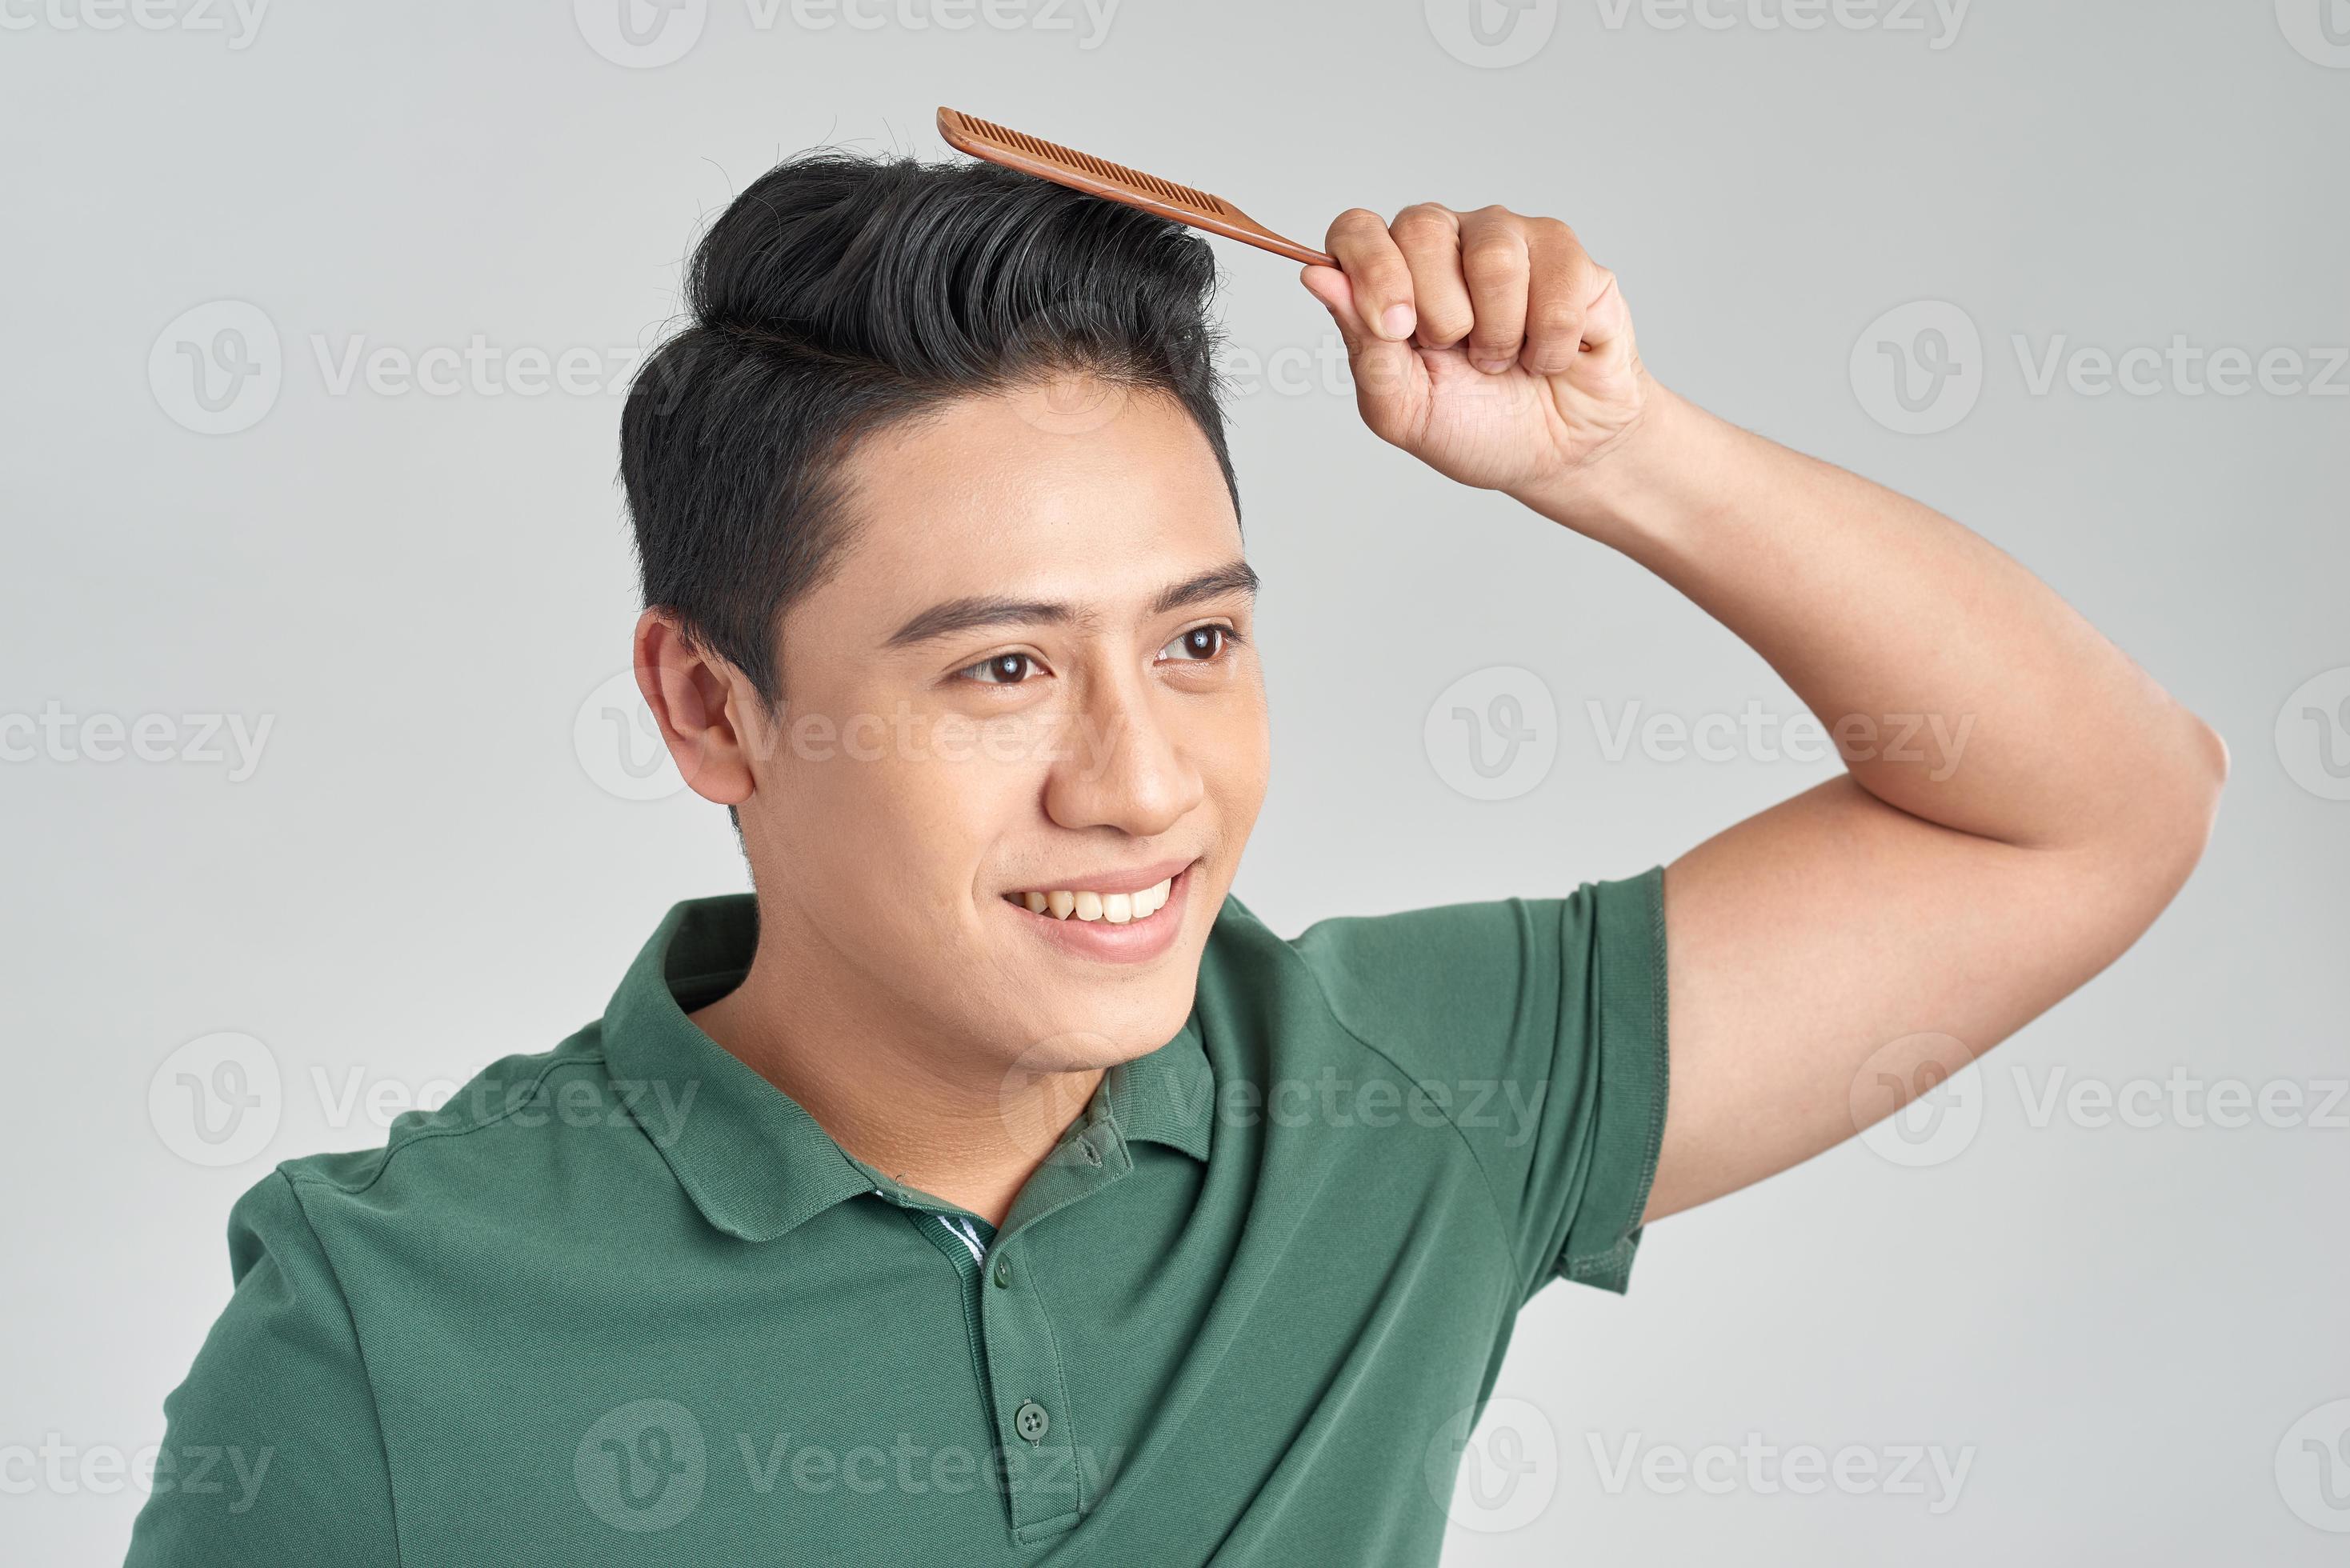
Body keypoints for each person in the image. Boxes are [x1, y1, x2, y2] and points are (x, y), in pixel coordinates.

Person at [126, 148, 2225, 1565]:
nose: (1140, 785)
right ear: (707, 709)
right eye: (1001, 671)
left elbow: (2094, 804)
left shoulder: (1407, 1095)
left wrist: (1617, 454)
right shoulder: (381, 1317)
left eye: (1200, 641)